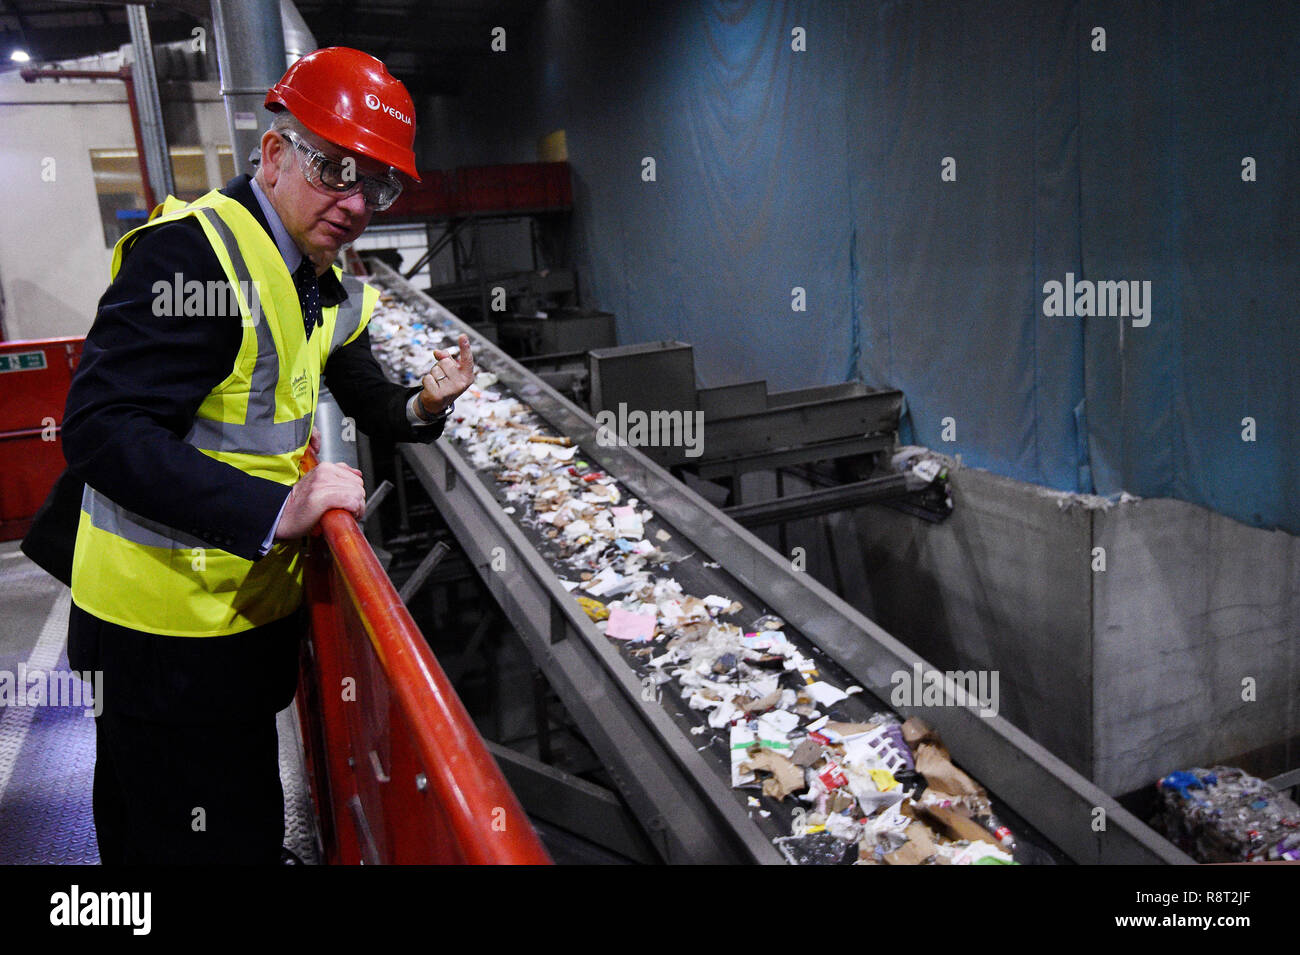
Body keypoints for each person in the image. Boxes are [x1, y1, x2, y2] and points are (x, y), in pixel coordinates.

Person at [58, 47, 470, 864]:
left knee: (239, 826)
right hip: (161, 645)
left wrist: (424, 401)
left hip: (235, 629)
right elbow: (101, 426)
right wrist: (275, 509)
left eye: (376, 186)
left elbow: (367, 393)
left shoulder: (314, 272)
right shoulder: (195, 257)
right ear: (274, 155)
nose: (355, 203)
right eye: (336, 169)